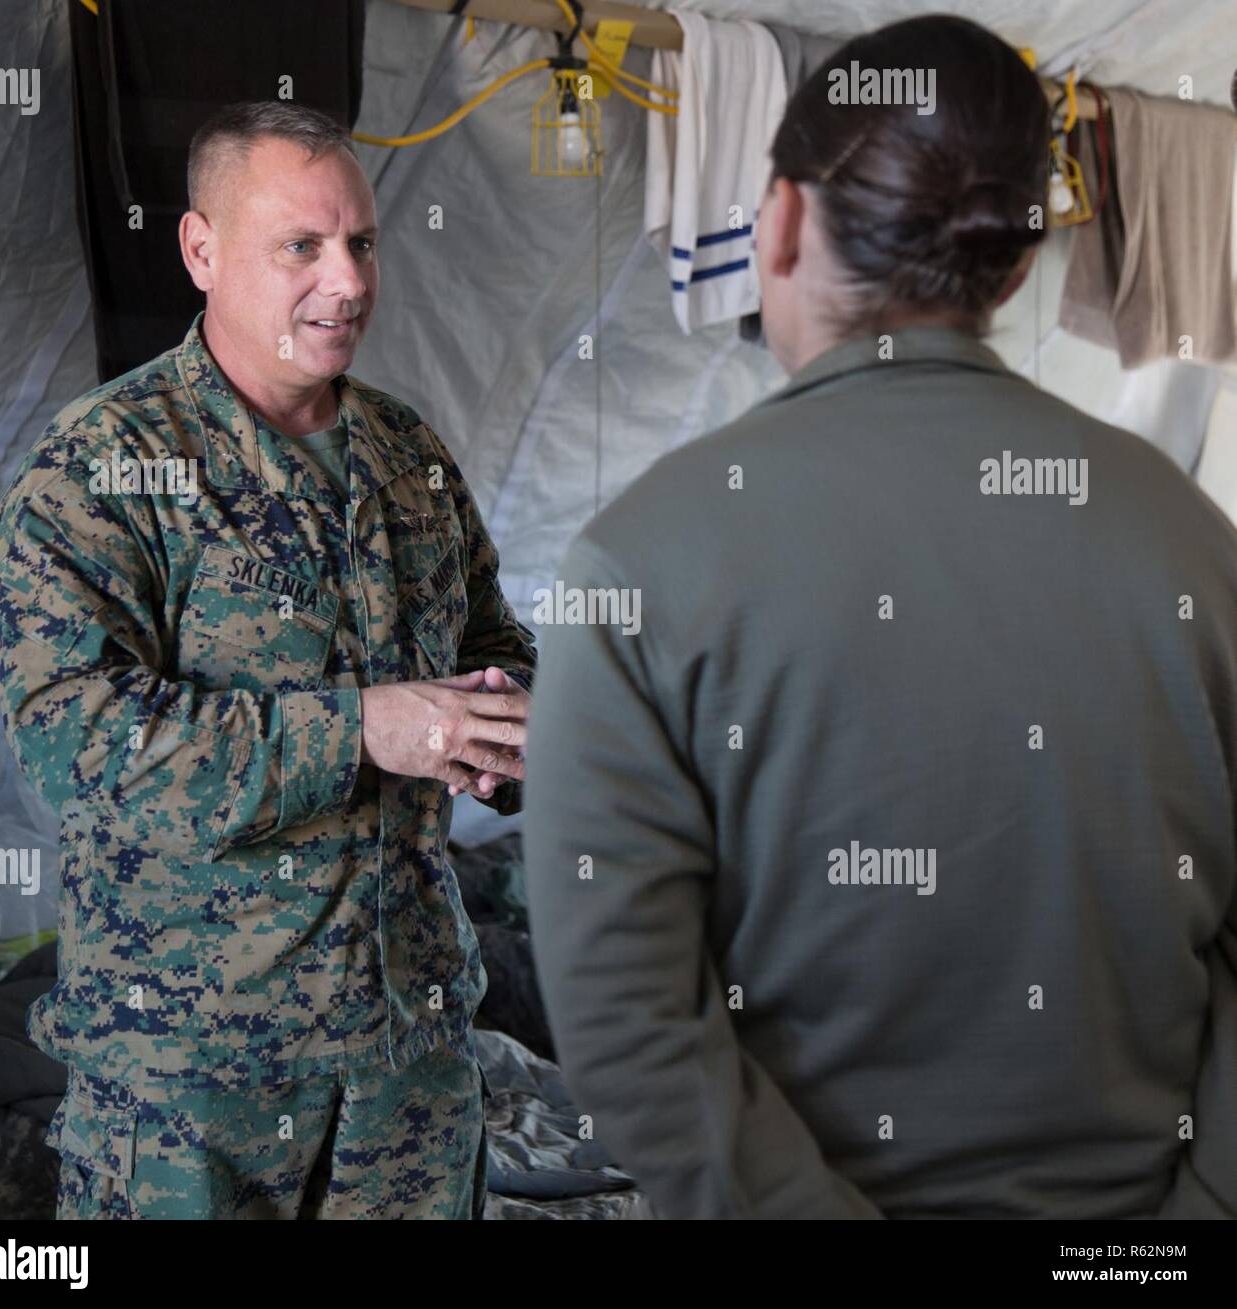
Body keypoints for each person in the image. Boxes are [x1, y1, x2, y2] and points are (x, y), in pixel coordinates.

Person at [523, 15, 1237, 1219]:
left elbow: (632, 1028)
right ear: (1013, 268)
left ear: (784, 223)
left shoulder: (633, 566)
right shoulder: (1194, 546)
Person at [0, 101, 536, 1219]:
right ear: (201, 249)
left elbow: (489, 639)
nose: (346, 282)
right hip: (194, 1092)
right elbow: (73, 741)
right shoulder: (103, 465)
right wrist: (364, 727)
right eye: (302, 246)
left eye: (362, 243)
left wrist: (500, 722)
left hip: (406, 1075)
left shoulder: (405, 454)